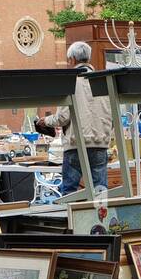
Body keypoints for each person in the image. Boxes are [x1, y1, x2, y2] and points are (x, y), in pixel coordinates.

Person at [39, 41, 113, 196]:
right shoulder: (103, 81)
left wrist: (44, 121)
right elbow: (112, 116)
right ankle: (101, 220)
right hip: (100, 143)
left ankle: (74, 220)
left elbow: (62, 118)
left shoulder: (70, 82)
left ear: (72, 59)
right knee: (100, 193)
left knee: (70, 193)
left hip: (75, 145)